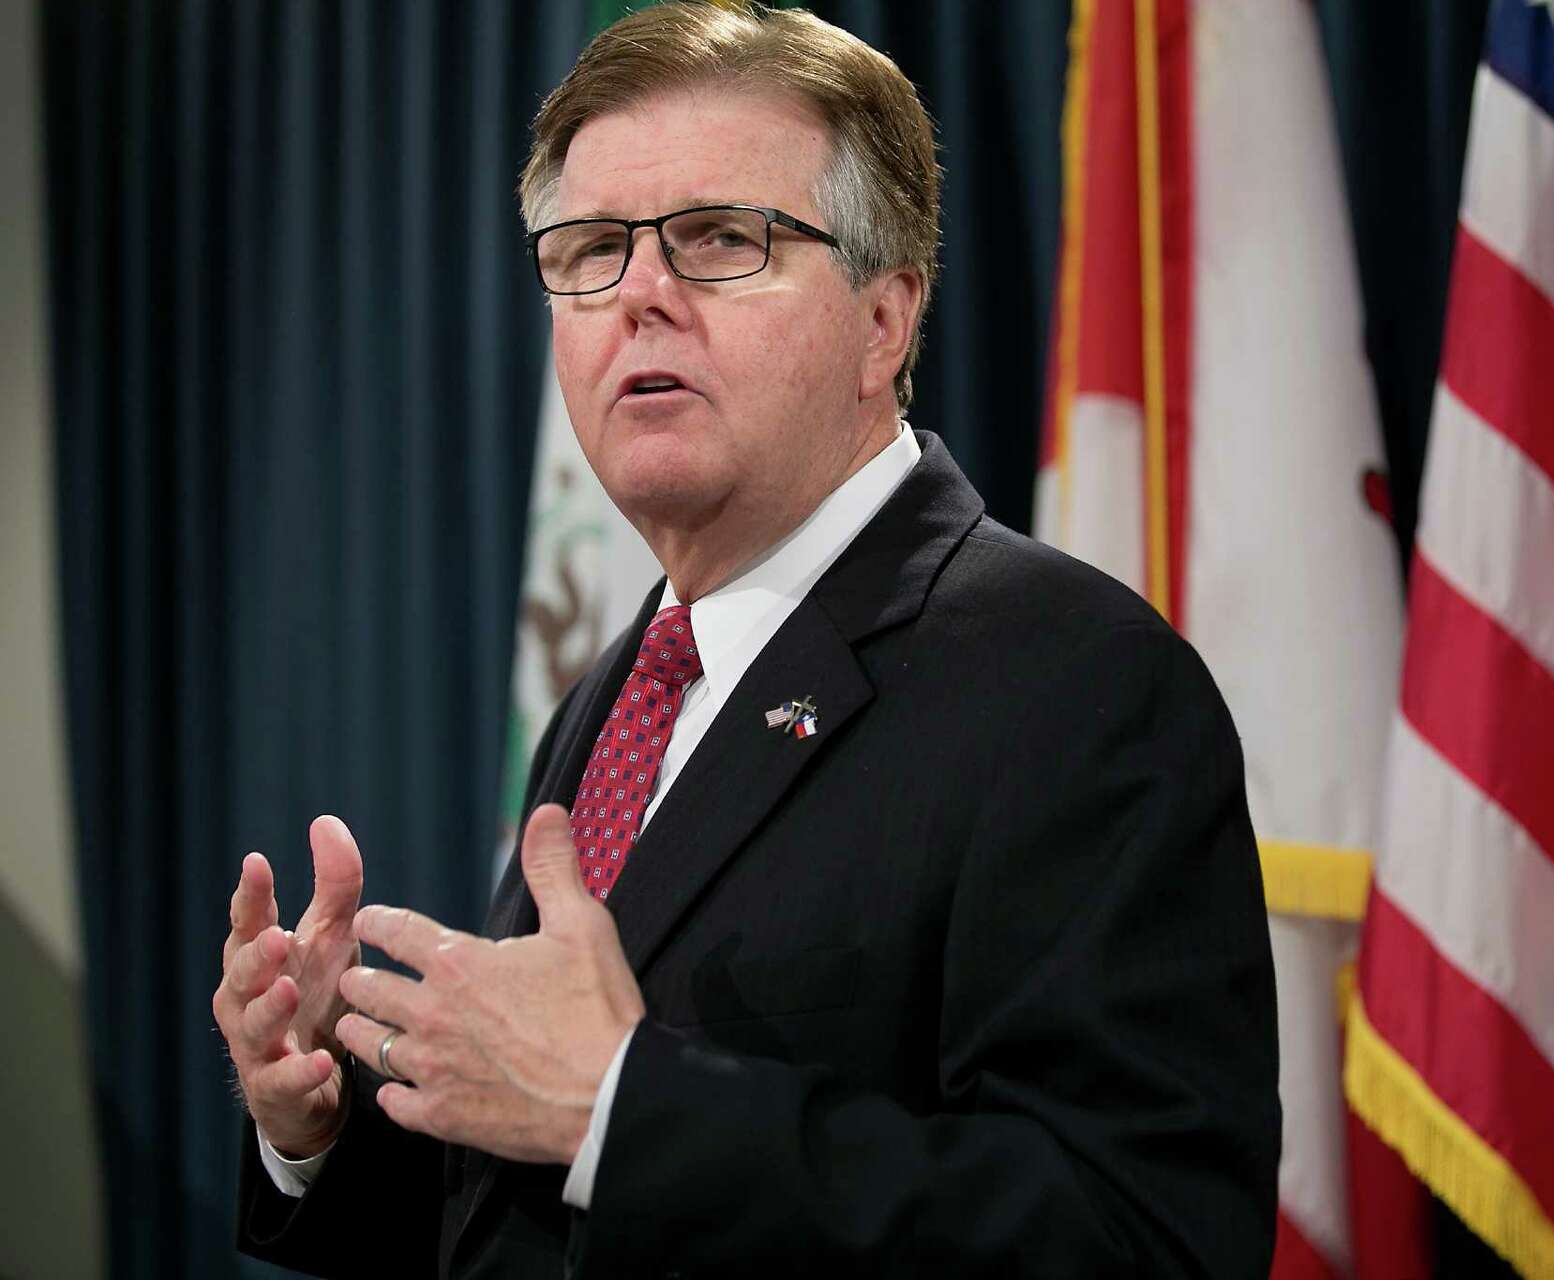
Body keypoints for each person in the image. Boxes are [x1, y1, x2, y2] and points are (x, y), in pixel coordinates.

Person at [211, 4, 1279, 1275]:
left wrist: (622, 1111)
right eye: (591, 248)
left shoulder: (1076, 681)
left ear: (884, 322)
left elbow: (1142, 1236)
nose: (639, 296)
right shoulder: (615, 696)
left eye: (720, 238)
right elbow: (533, 1200)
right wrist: (319, 1128)